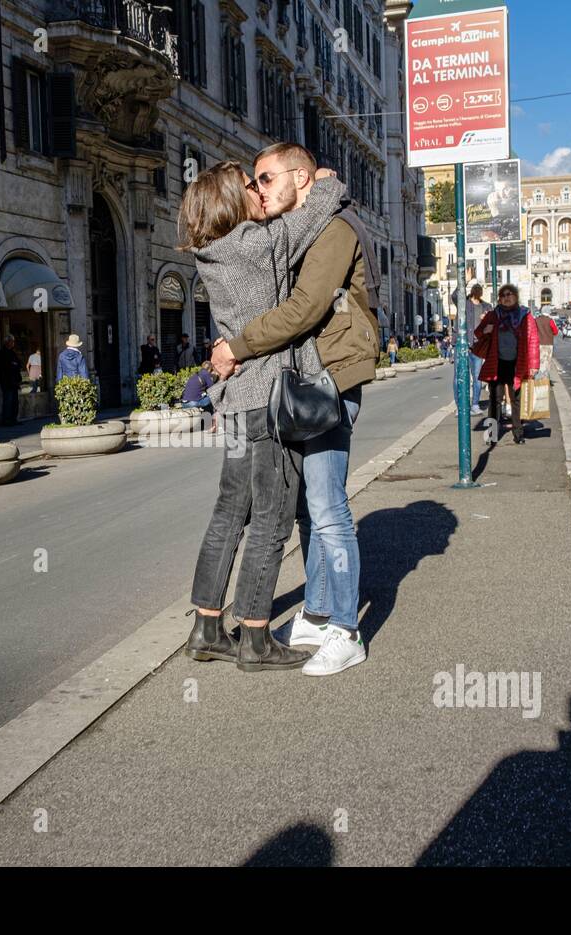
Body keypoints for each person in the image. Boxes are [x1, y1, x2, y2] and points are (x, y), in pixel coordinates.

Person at [208, 141, 378, 677]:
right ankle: (317, 611)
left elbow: (303, 310)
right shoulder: (304, 226)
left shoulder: (333, 229)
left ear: (299, 178)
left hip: (329, 379)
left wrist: (235, 347)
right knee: (309, 507)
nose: (256, 190)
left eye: (263, 178)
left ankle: (346, 630)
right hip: (307, 382)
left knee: (329, 507)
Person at [180, 152, 346, 673]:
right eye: (251, 185)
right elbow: (310, 218)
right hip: (264, 404)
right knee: (271, 520)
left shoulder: (212, 251)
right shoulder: (252, 245)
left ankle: (207, 626)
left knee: (229, 513)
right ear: (233, 200)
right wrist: (325, 181)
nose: (259, 191)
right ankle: (254, 638)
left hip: (233, 406)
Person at [472, 284, 541, 445]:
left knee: (516, 400)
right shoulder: (493, 314)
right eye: (503, 295)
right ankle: (491, 436)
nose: (506, 297)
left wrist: (534, 364)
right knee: (494, 400)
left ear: (516, 297)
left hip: (517, 364)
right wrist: (486, 331)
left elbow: (533, 340)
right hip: (497, 363)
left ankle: (518, 434)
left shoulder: (525, 315)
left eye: (510, 294)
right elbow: (478, 332)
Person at [465, 284, 491, 413]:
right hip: (466, 346)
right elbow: (454, 296)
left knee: (476, 377)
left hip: (479, 347)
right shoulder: (465, 304)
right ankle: (464, 406)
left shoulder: (486, 306)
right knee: (464, 377)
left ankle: (475, 404)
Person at [0, 335, 21, 426]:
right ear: (7, 342)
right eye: (12, 341)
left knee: (14, 401)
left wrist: (14, 364)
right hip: (7, 381)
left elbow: (18, 363)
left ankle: (13, 419)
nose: (13, 343)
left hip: (14, 381)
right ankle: (6, 420)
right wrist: (13, 364)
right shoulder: (2, 353)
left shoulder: (12, 353)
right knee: (8, 400)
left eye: (13, 341)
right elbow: (6, 367)